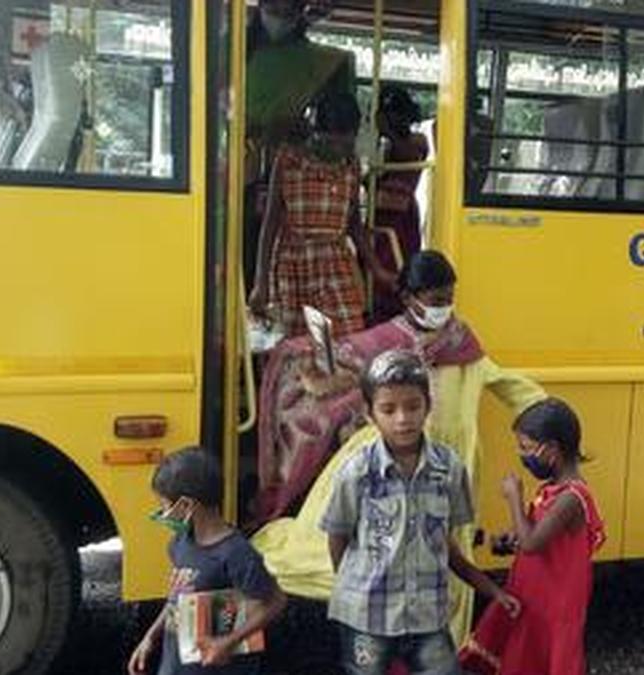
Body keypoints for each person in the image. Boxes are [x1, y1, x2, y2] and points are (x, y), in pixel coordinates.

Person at [250, 250, 544, 649]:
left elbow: (502, 380)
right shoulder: (387, 340)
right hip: (395, 461)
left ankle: (450, 645)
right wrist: (313, 353)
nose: (445, 308)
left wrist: (544, 412)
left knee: (453, 551)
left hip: (452, 462)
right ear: (410, 298)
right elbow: (343, 366)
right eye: (436, 299)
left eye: (449, 298)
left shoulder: (463, 340)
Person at [320, 350, 520, 675]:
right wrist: (356, 588)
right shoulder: (355, 472)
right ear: (370, 414)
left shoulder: (450, 469)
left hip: (427, 617)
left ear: (428, 405)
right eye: (389, 409)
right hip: (366, 618)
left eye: (413, 406)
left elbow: (446, 546)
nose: (403, 418)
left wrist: (492, 589)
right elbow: (337, 536)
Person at [458, 399, 605, 675]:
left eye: (525, 447)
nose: (521, 454)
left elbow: (533, 543)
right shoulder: (553, 489)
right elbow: (537, 536)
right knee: (525, 650)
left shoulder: (572, 498)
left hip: (555, 603)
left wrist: (514, 497)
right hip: (537, 594)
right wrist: (512, 540)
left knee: (546, 655)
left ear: (550, 451)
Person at [249, 92, 394, 339]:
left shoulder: (351, 165)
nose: (338, 151)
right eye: (330, 143)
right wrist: (260, 282)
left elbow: (354, 225)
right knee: (298, 342)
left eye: (345, 143)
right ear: (315, 134)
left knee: (348, 335)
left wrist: (376, 268)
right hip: (293, 263)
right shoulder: (288, 160)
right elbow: (271, 224)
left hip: (335, 261)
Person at [129, 448, 288, 675]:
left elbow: (276, 601)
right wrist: (150, 636)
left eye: (164, 505)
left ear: (186, 505)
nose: (162, 513)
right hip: (178, 666)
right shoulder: (181, 543)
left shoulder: (236, 553)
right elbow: (178, 599)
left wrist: (229, 642)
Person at [243, 0, 356, 290]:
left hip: (277, 179)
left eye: (289, 12)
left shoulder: (320, 63)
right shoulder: (233, 49)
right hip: (236, 170)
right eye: (275, 10)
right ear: (262, 5)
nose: (280, 19)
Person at [371, 86, 430, 323]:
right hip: (382, 212)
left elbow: (410, 154)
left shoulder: (417, 140)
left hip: (402, 214)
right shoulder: (384, 145)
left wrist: (388, 132)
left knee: (399, 263)